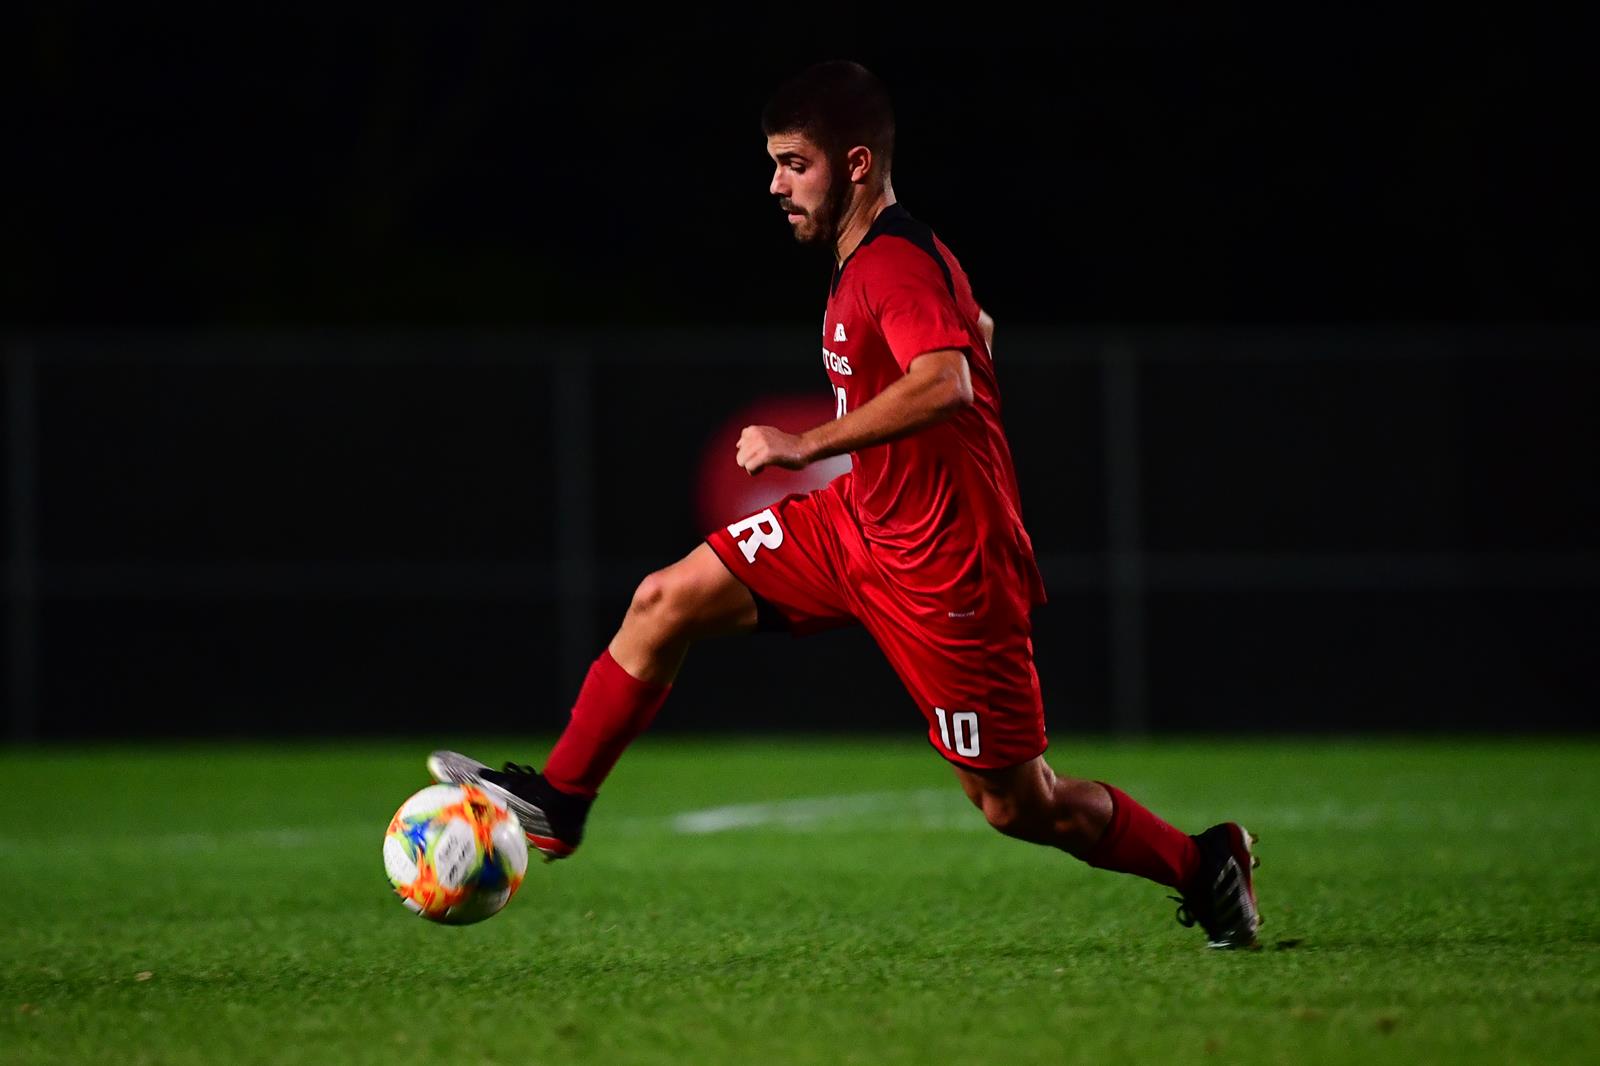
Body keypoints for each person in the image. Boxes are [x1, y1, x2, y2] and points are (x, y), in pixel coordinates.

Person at [430, 60, 1259, 949]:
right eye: (775, 163)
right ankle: (560, 802)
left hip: (947, 567)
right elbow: (968, 340)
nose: (777, 186)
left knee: (1018, 805)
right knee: (662, 600)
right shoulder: (890, 255)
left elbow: (945, 384)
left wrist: (803, 446)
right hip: (857, 523)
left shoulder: (890, 265)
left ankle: (1201, 863)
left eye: (795, 163)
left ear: (857, 162)